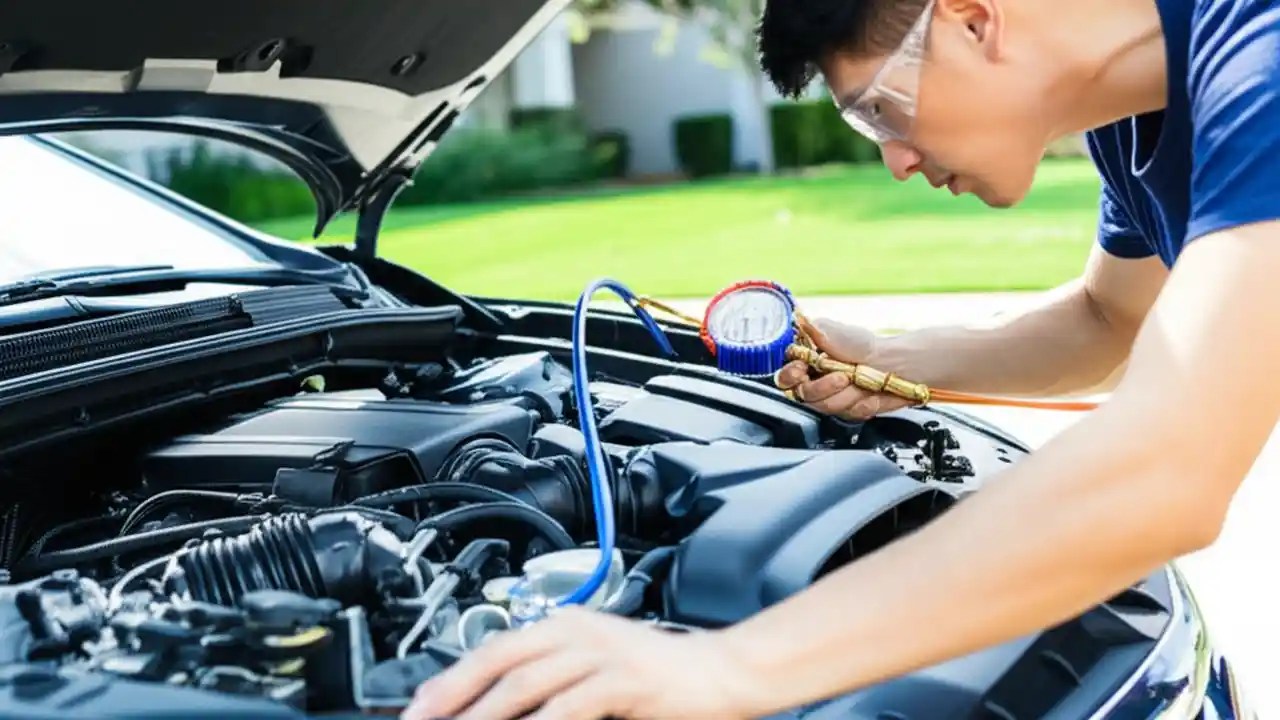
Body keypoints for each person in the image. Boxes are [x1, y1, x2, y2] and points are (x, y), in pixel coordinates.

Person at [401, 0, 1280, 716]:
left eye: (880, 112)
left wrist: (728, 669)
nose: (895, 160)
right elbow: (1107, 318)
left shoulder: (1260, 51)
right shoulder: (1136, 126)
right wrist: (889, 357)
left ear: (976, 21)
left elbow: (1167, 470)